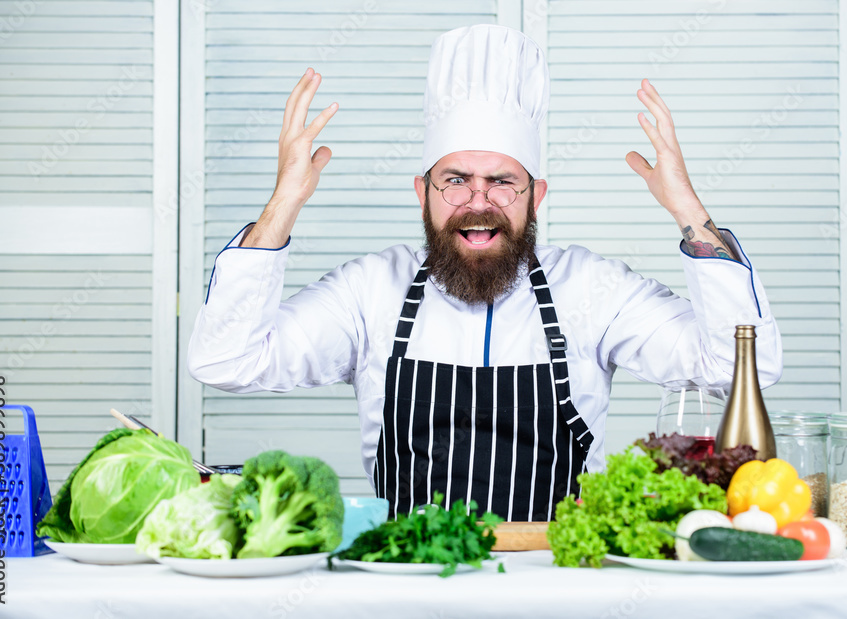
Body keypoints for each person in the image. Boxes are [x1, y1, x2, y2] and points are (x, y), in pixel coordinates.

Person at [188, 25, 782, 521]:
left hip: (562, 584)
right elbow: (226, 360)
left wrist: (689, 212)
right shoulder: (368, 290)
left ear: (535, 196)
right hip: (407, 580)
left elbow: (742, 367)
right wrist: (282, 204)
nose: (479, 201)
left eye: (502, 181)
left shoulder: (591, 287)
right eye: (455, 180)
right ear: (423, 192)